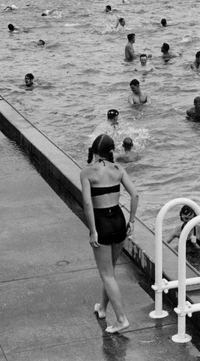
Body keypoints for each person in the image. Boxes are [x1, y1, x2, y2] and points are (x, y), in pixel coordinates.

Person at [80, 134, 139, 333]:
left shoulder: (87, 172)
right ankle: (102, 308)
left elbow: (88, 203)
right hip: (119, 219)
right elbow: (135, 194)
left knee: (107, 275)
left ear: (95, 151)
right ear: (110, 151)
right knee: (110, 272)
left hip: (102, 222)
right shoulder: (118, 169)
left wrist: (93, 231)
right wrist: (131, 220)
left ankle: (122, 319)